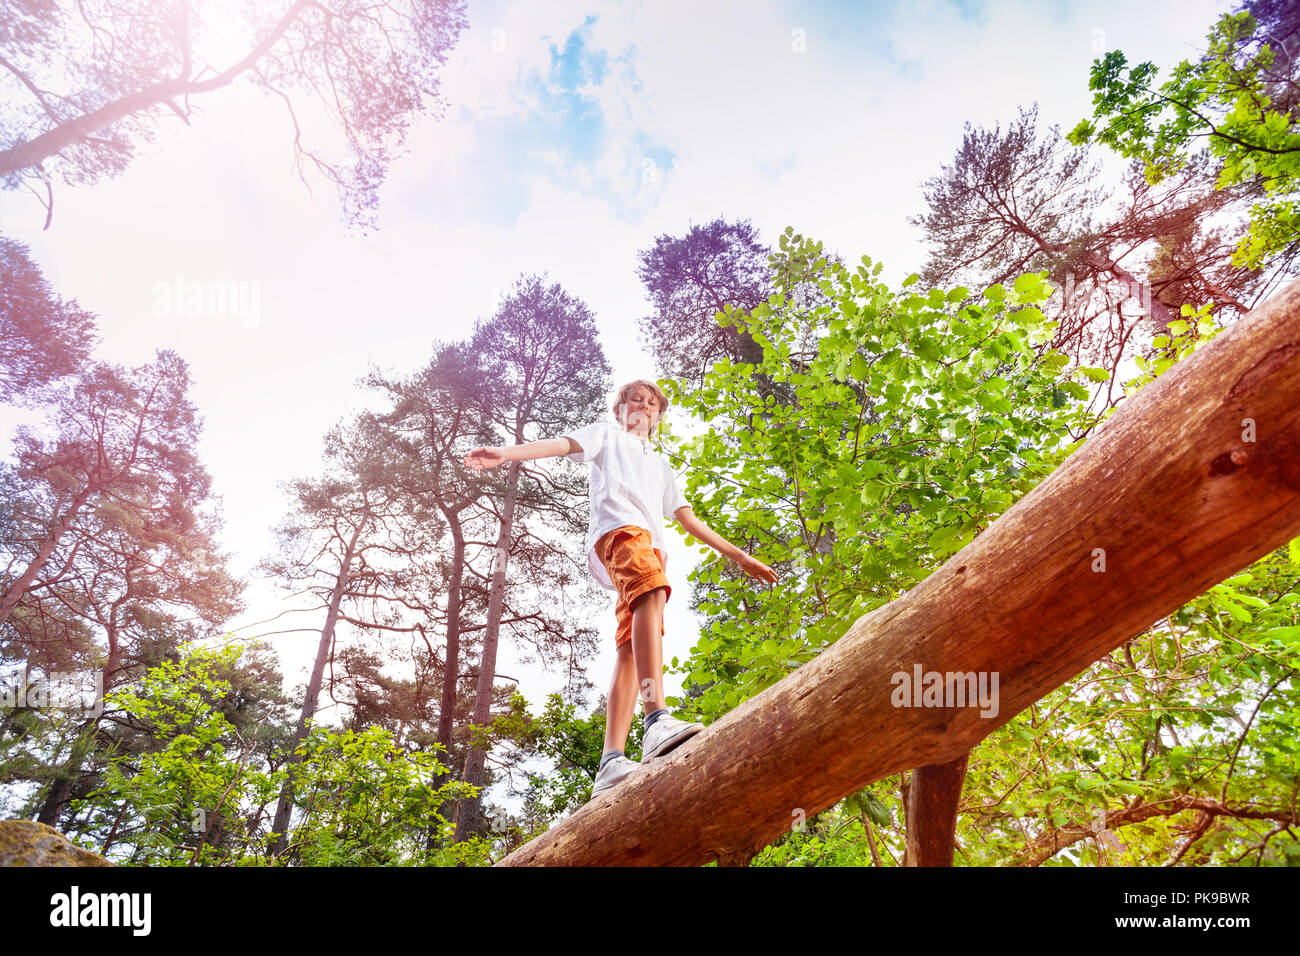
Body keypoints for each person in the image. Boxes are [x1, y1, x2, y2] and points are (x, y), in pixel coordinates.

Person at [462, 379, 777, 799]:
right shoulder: (606, 434)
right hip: (620, 533)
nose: (643, 408)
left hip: (651, 548)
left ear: (658, 417)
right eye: (635, 400)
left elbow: (687, 518)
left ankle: (610, 761)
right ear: (619, 409)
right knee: (651, 595)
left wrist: (739, 556)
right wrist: (507, 453)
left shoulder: (660, 465)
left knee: (631, 645)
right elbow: (560, 445)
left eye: (651, 405)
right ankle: (656, 720)